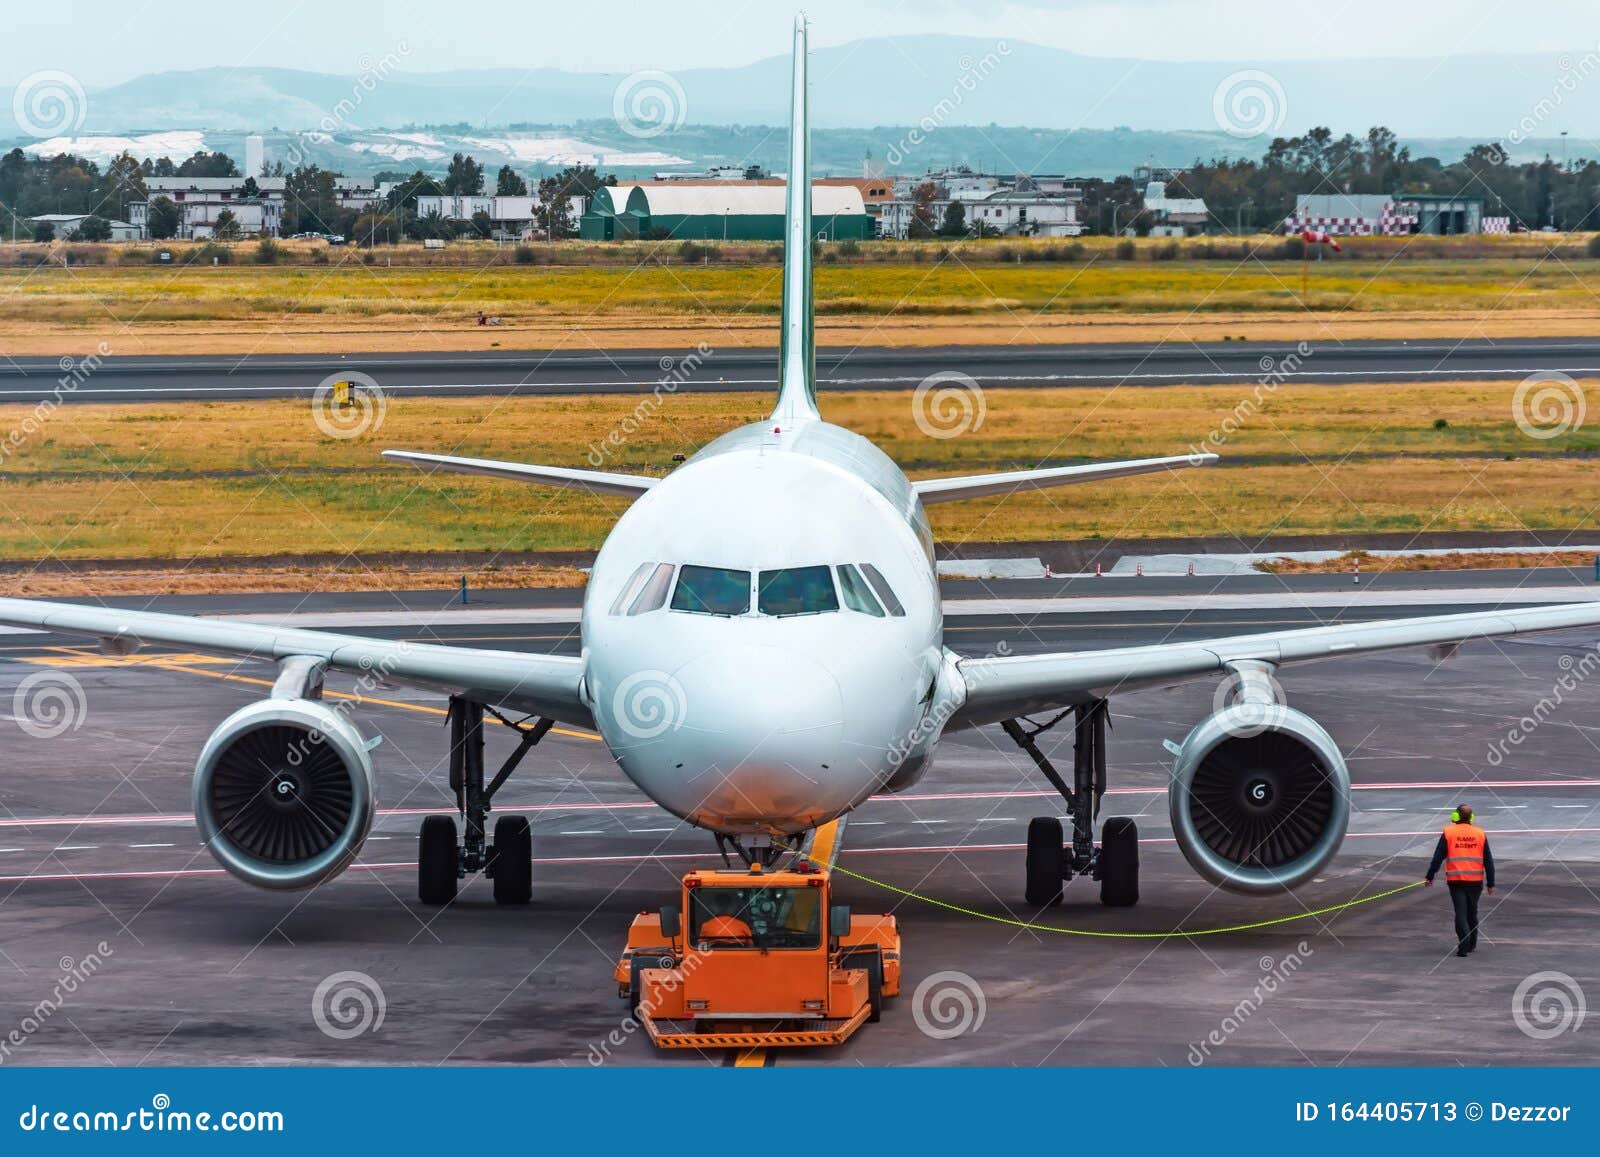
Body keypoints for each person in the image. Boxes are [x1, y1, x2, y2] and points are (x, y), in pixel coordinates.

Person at [1424, 805, 1495, 957]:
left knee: (1460, 913)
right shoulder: (1480, 833)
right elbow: (1488, 860)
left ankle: (1463, 946)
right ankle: (1472, 944)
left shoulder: (1449, 832)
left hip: (1456, 880)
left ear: (1455, 816)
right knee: (1472, 912)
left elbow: (1438, 857)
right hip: (1475, 881)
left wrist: (1430, 876)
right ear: (1471, 817)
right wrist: (1491, 882)